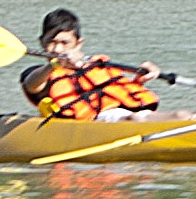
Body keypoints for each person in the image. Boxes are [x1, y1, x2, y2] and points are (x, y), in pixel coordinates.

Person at [19, 10, 173, 123]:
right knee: (134, 119)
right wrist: (54, 65)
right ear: (41, 42)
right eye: (51, 42)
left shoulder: (98, 66)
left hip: (126, 114)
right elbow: (32, 85)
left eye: (65, 43)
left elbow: (115, 91)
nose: (57, 49)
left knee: (180, 116)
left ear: (78, 44)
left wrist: (140, 79)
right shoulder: (40, 73)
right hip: (96, 122)